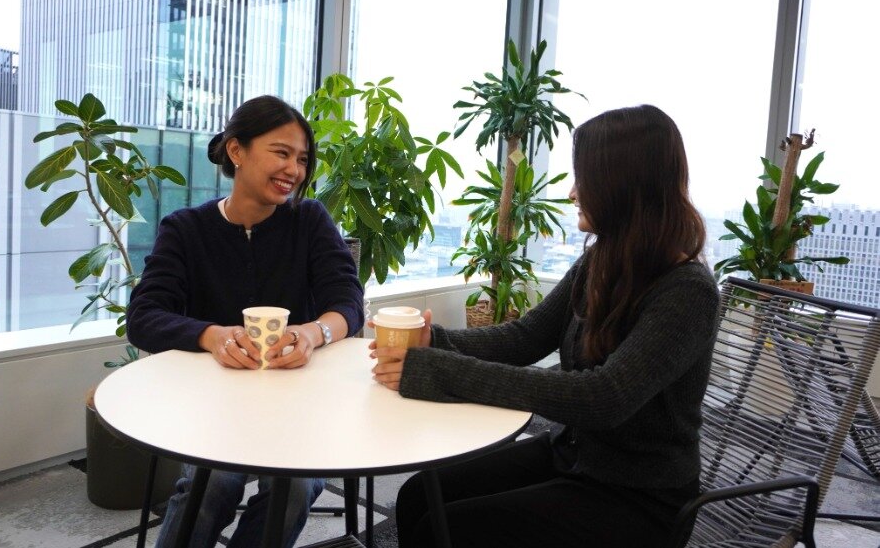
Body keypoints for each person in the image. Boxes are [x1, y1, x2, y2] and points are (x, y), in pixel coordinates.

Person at [371, 104, 720, 548]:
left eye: (584, 178)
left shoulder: (688, 291)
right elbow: (526, 336)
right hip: (573, 455)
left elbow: (603, 397)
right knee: (419, 496)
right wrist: (435, 340)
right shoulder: (602, 260)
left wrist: (441, 370)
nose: (573, 192)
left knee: (448, 529)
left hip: (639, 496)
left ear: (622, 185)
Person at [127, 95, 365, 548]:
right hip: (212, 400)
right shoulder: (186, 229)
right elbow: (143, 316)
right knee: (214, 483)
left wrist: (312, 333)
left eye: (302, 159)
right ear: (236, 151)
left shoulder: (309, 220)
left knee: (296, 485)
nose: (294, 170)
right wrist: (210, 335)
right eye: (281, 153)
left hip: (297, 398)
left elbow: (348, 303)